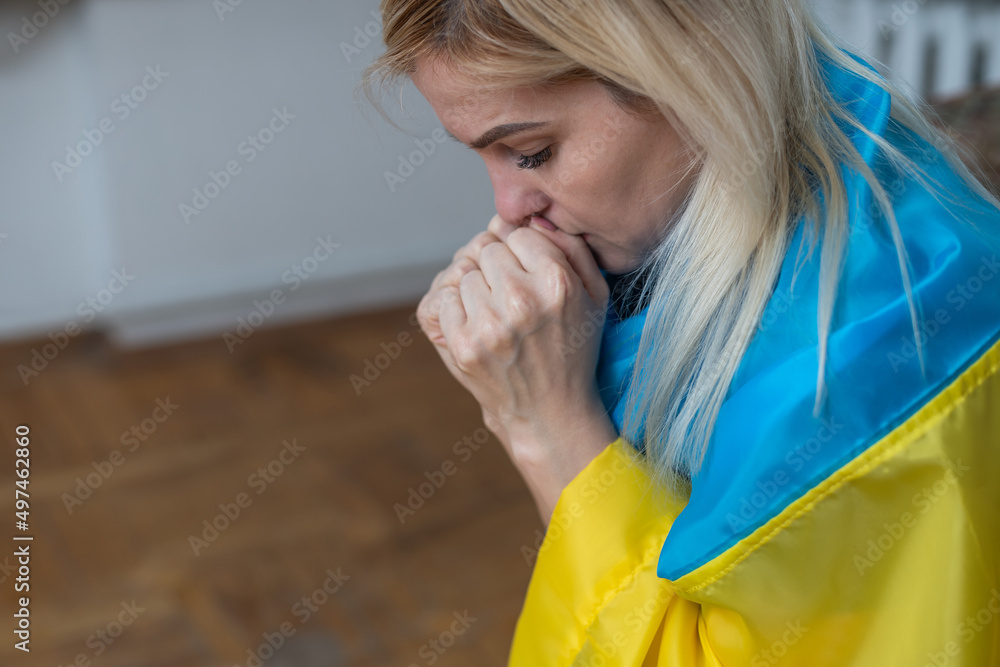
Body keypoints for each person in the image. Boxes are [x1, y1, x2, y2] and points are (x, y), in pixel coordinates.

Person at [362, 0, 1000, 664]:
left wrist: (545, 426)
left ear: (688, 73)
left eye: (532, 151)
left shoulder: (855, 373)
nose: (509, 210)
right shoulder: (808, 153)